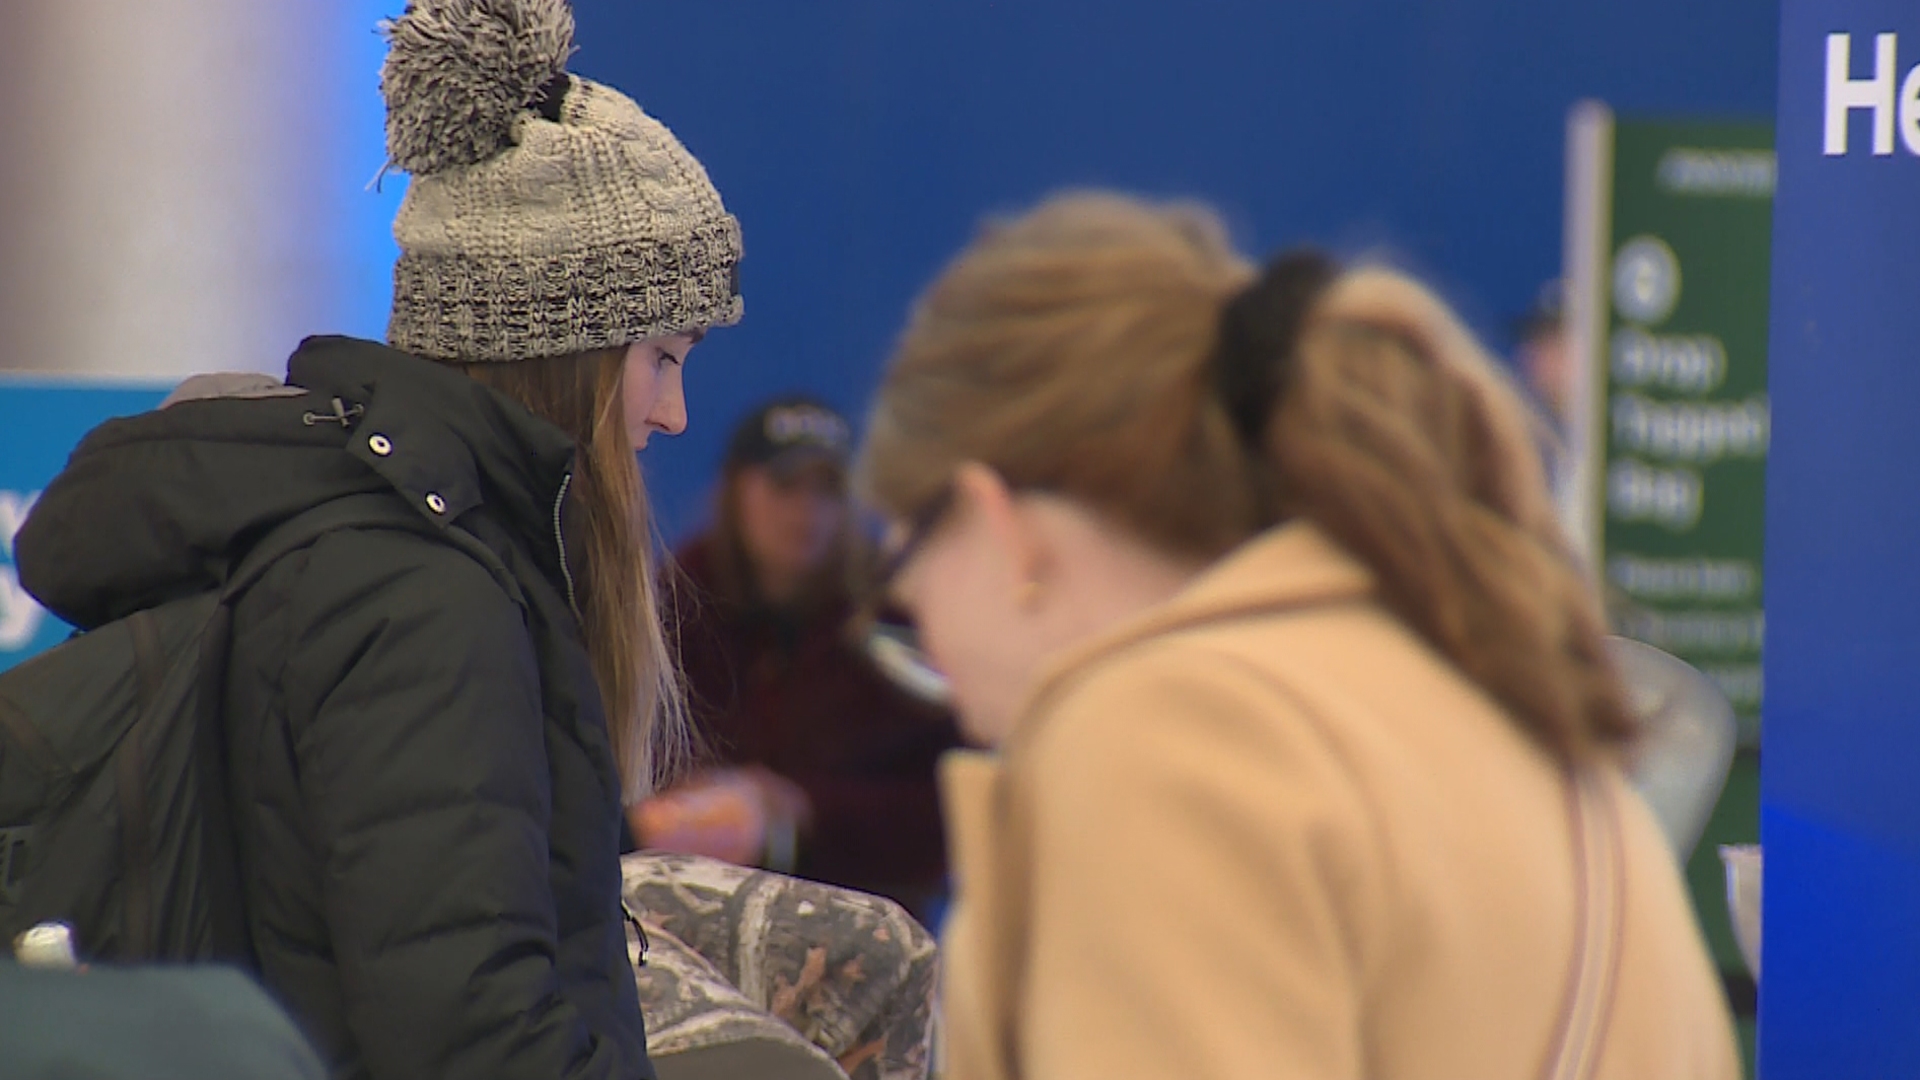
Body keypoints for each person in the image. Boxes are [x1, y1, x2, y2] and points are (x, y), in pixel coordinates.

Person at [854, 193, 1740, 1080]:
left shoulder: (1171, 740)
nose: (928, 639)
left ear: (997, 521)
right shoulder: (1505, 707)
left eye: (906, 576)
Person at [14, 0, 741, 1076]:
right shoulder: (423, 601)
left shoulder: (379, 552)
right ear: (562, 350)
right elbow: (468, 1034)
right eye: (663, 358)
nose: (673, 414)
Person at [630, 398, 962, 919]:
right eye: (785, 486)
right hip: (694, 916)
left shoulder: (897, 622)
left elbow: (945, 811)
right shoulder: (671, 612)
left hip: (861, 926)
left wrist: (801, 807)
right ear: (736, 491)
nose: (806, 511)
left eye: (826, 489)